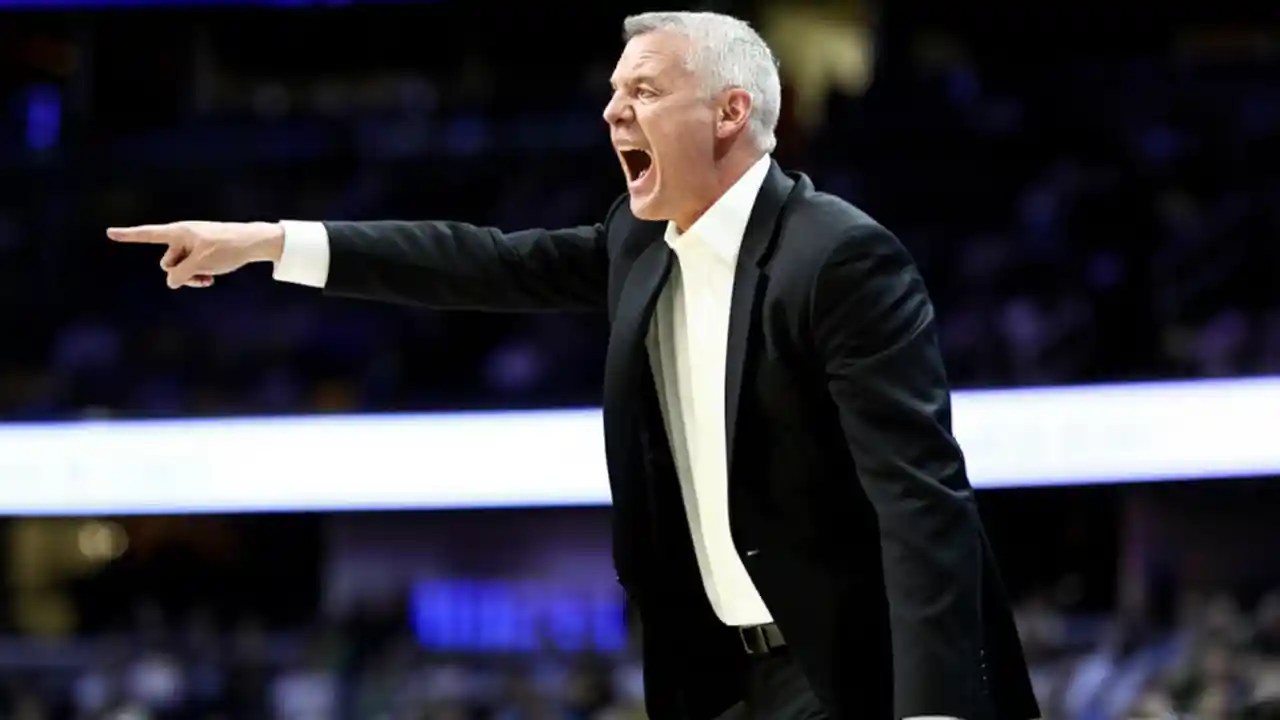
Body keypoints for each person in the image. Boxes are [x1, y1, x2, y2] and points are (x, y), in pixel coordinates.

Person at [107, 11, 1039, 720]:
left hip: (853, 672)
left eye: (643, 90)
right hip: (719, 674)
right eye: (613, 91)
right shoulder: (638, 240)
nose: (611, 110)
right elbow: (481, 262)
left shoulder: (839, 258)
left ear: (730, 112)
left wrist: (935, 710)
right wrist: (272, 241)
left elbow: (922, 503)